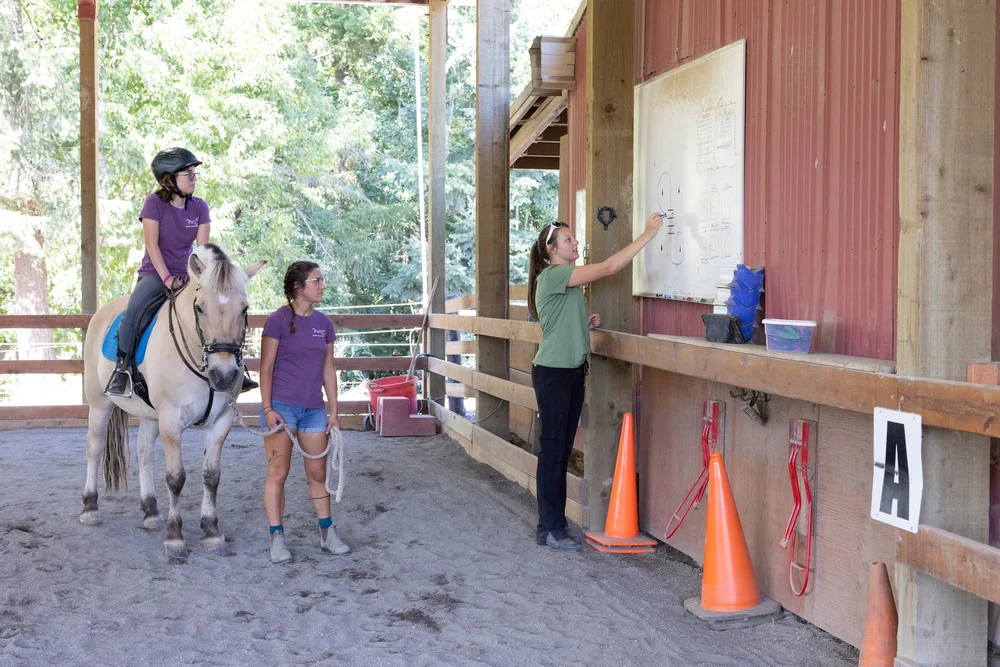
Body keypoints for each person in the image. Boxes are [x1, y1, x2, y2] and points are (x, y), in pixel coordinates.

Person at [527, 212, 663, 551]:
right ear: (551, 250)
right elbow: (608, 269)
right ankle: (549, 528)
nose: (575, 244)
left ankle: (555, 525)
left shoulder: (564, 280)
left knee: (560, 449)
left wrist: (582, 322)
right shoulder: (554, 275)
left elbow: (558, 322)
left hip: (571, 371)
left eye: (574, 239)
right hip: (554, 373)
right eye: (568, 241)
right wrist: (647, 235)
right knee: (554, 451)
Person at [104, 147, 258, 396]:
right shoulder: (153, 203)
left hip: (191, 275)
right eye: (187, 173)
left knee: (223, 309)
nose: (193, 177)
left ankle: (238, 368)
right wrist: (166, 278)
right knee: (133, 314)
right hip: (156, 274)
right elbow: (152, 245)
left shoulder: (199, 207)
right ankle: (121, 371)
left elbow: (203, 249)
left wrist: (205, 278)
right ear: (169, 179)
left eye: (194, 172)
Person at [259, 261, 350, 564]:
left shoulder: (324, 324)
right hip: (281, 409)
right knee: (278, 473)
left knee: (318, 474)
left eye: (322, 280)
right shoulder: (277, 321)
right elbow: (266, 368)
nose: (323, 285)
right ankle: (276, 537)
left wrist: (334, 411)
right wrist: (268, 408)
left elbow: (328, 369)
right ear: (299, 288)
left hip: (314, 410)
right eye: (317, 281)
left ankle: (327, 533)